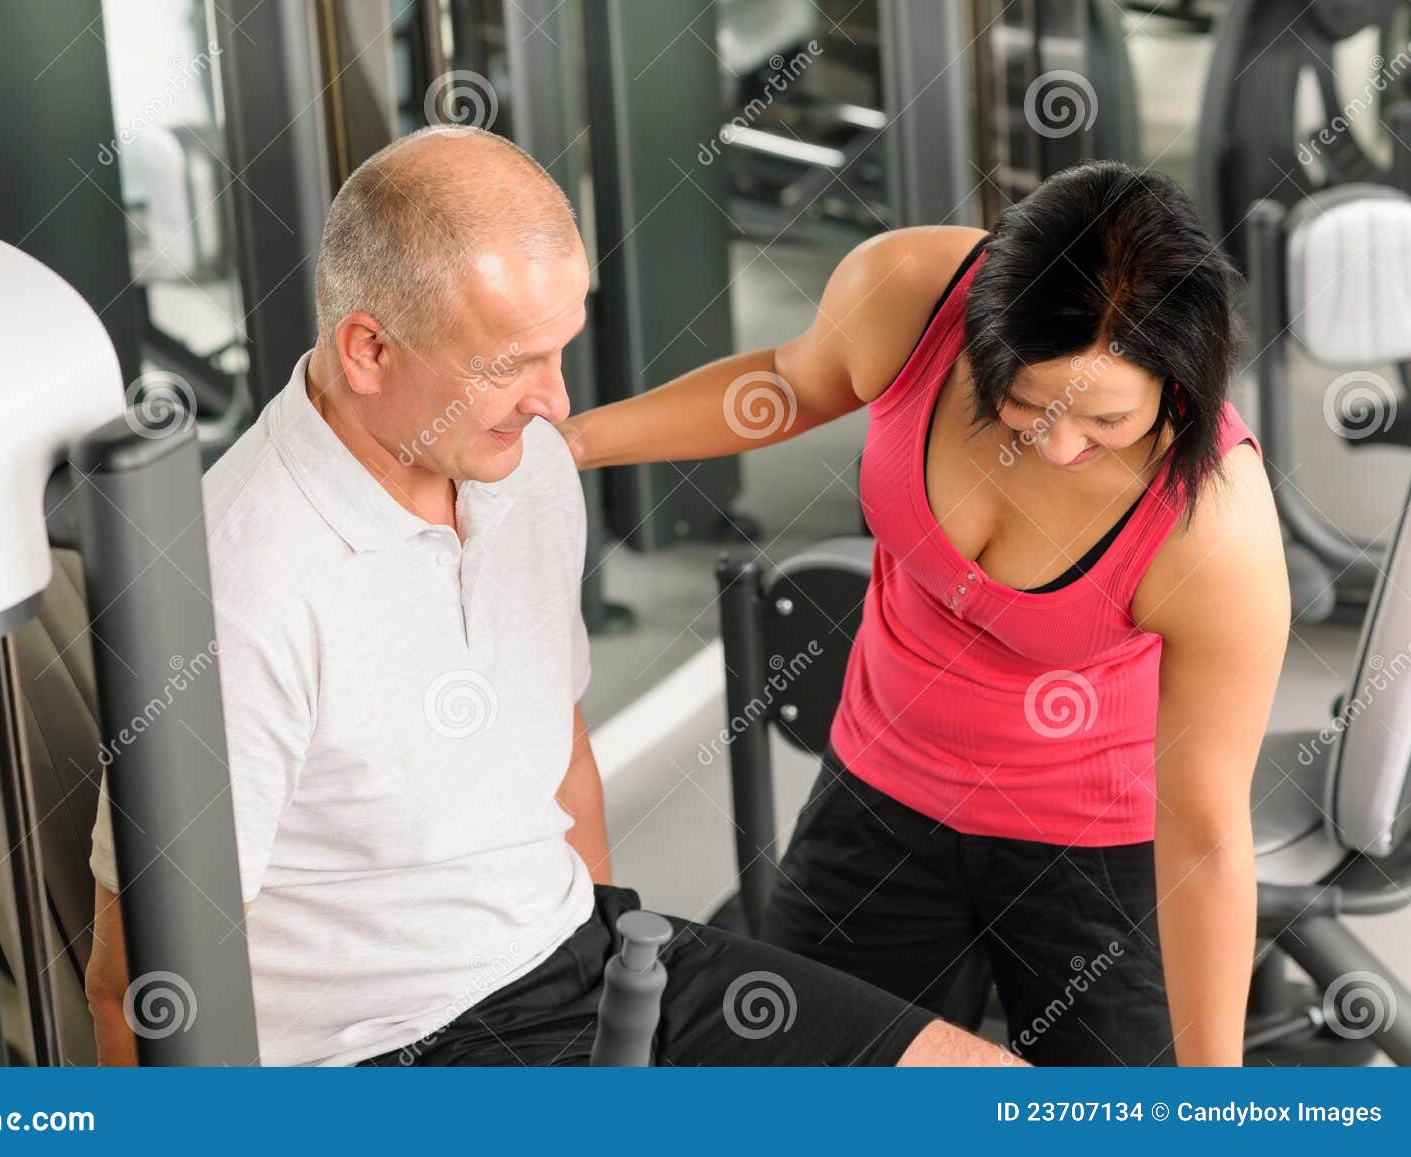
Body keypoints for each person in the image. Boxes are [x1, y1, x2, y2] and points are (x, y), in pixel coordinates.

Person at [83, 126, 1016, 1068]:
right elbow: (138, 988)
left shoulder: (522, 469)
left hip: (584, 960)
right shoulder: (236, 583)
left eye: (560, 349)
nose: (557, 402)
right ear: (368, 349)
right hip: (387, 1048)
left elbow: (561, 752)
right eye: (509, 364)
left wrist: (617, 1024)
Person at [559, 161, 1289, 1066]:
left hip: (1095, 845)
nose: (1056, 442)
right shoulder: (908, 296)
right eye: (1024, 400)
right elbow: (787, 384)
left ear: (1179, 382)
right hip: (881, 788)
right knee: (796, 1086)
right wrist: (575, 443)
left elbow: (1207, 832)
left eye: (1103, 419)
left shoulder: (1211, 524)